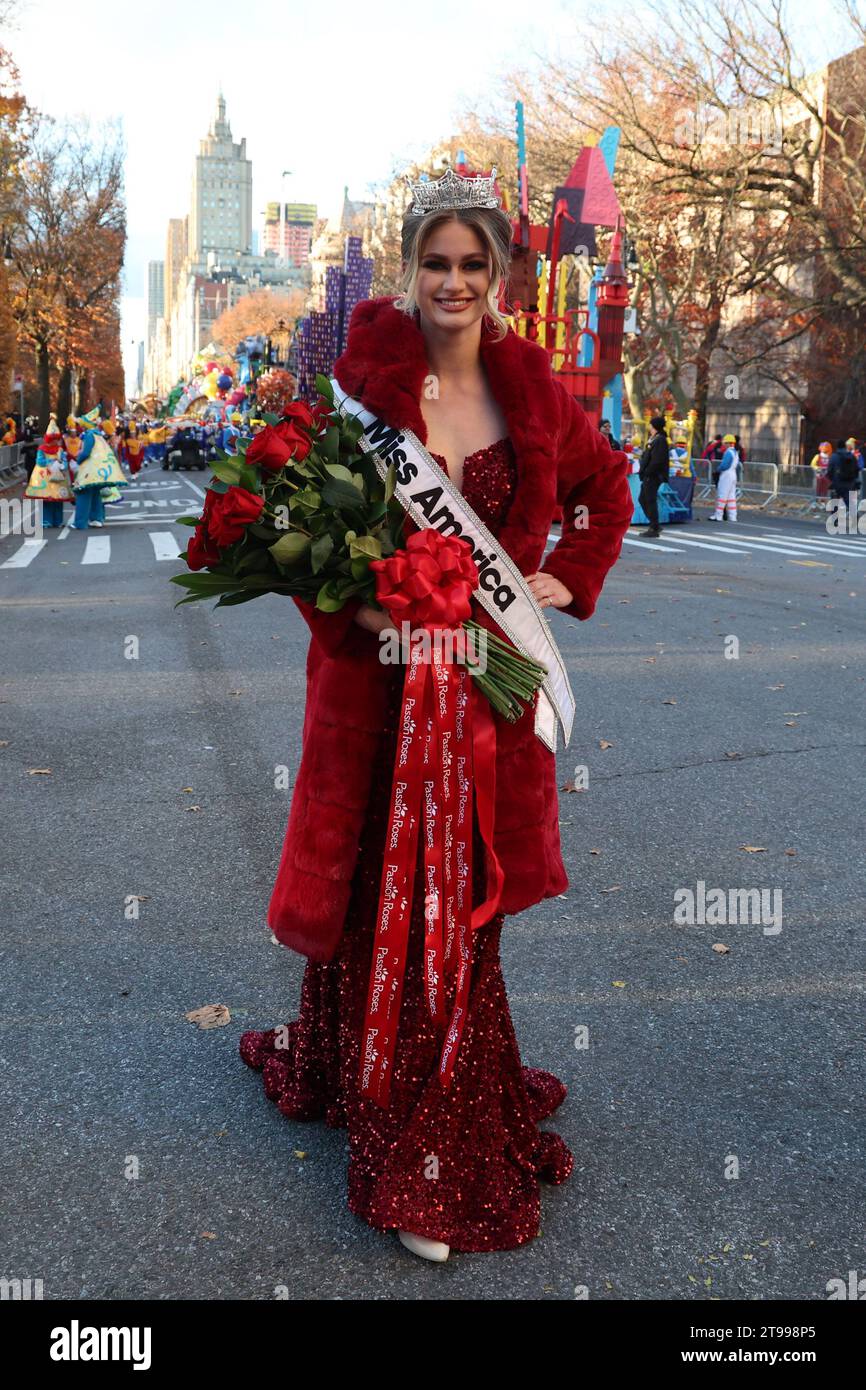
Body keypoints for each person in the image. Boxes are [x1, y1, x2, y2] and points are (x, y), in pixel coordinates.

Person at [238, 165, 634, 1262]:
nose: (452, 281)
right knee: (378, 893)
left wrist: (563, 580)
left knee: (457, 911)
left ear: (498, 275)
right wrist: (367, 605)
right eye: (434, 263)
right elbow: (295, 544)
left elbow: (610, 490)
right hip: (375, 697)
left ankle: (435, 1148)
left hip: (485, 711)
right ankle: (347, 1063)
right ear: (408, 271)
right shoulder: (364, 394)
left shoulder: (535, 395)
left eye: (472, 264)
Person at [70, 408, 128, 529]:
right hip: (98, 471)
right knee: (96, 494)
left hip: (89, 471)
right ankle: (97, 519)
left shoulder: (89, 435)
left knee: (83, 493)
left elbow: (86, 453)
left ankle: (80, 523)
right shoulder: (98, 435)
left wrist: (77, 460)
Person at [23, 414, 73, 526]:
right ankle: (46, 520)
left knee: (58, 500)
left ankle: (58, 520)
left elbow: (64, 461)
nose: (55, 442)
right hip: (44, 478)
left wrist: (62, 465)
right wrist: (51, 464)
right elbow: (39, 461)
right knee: (46, 500)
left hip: (58, 478)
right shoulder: (42, 449)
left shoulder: (60, 450)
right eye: (53, 439)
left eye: (56, 439)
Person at [638, 415, 669, 537]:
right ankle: (654, 524)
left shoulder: (660, 440)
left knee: (649, 500)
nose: (649, 427)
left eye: (651, 425)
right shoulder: (654, 438)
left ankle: (653, 527)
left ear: (655, 426)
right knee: (643, 499)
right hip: (649, 475)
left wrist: (647, 472)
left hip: (653, 475)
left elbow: (657, 460)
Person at [827, 438, 860, 523]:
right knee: (850, 502)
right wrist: (853, 479)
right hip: (850, 483)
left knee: (835, 502)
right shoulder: (852, 456)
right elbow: (857, 469)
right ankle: (855, 519)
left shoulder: (834, 456)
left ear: (837, 446)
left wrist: (832, 479)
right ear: (845, 446)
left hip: (837, 483)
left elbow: (830, 470)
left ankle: (835, 521)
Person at [709, 432, 740, 521]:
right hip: (733, 475)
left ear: (728, 443)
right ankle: (733, 516)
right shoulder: (735, 452)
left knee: (722, 495)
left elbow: (725, 465)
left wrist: (718, 469)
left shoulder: (728, 452)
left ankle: (718, 516)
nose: (724, 445)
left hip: (726, 475)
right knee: (731, 497)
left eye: (725, 443)